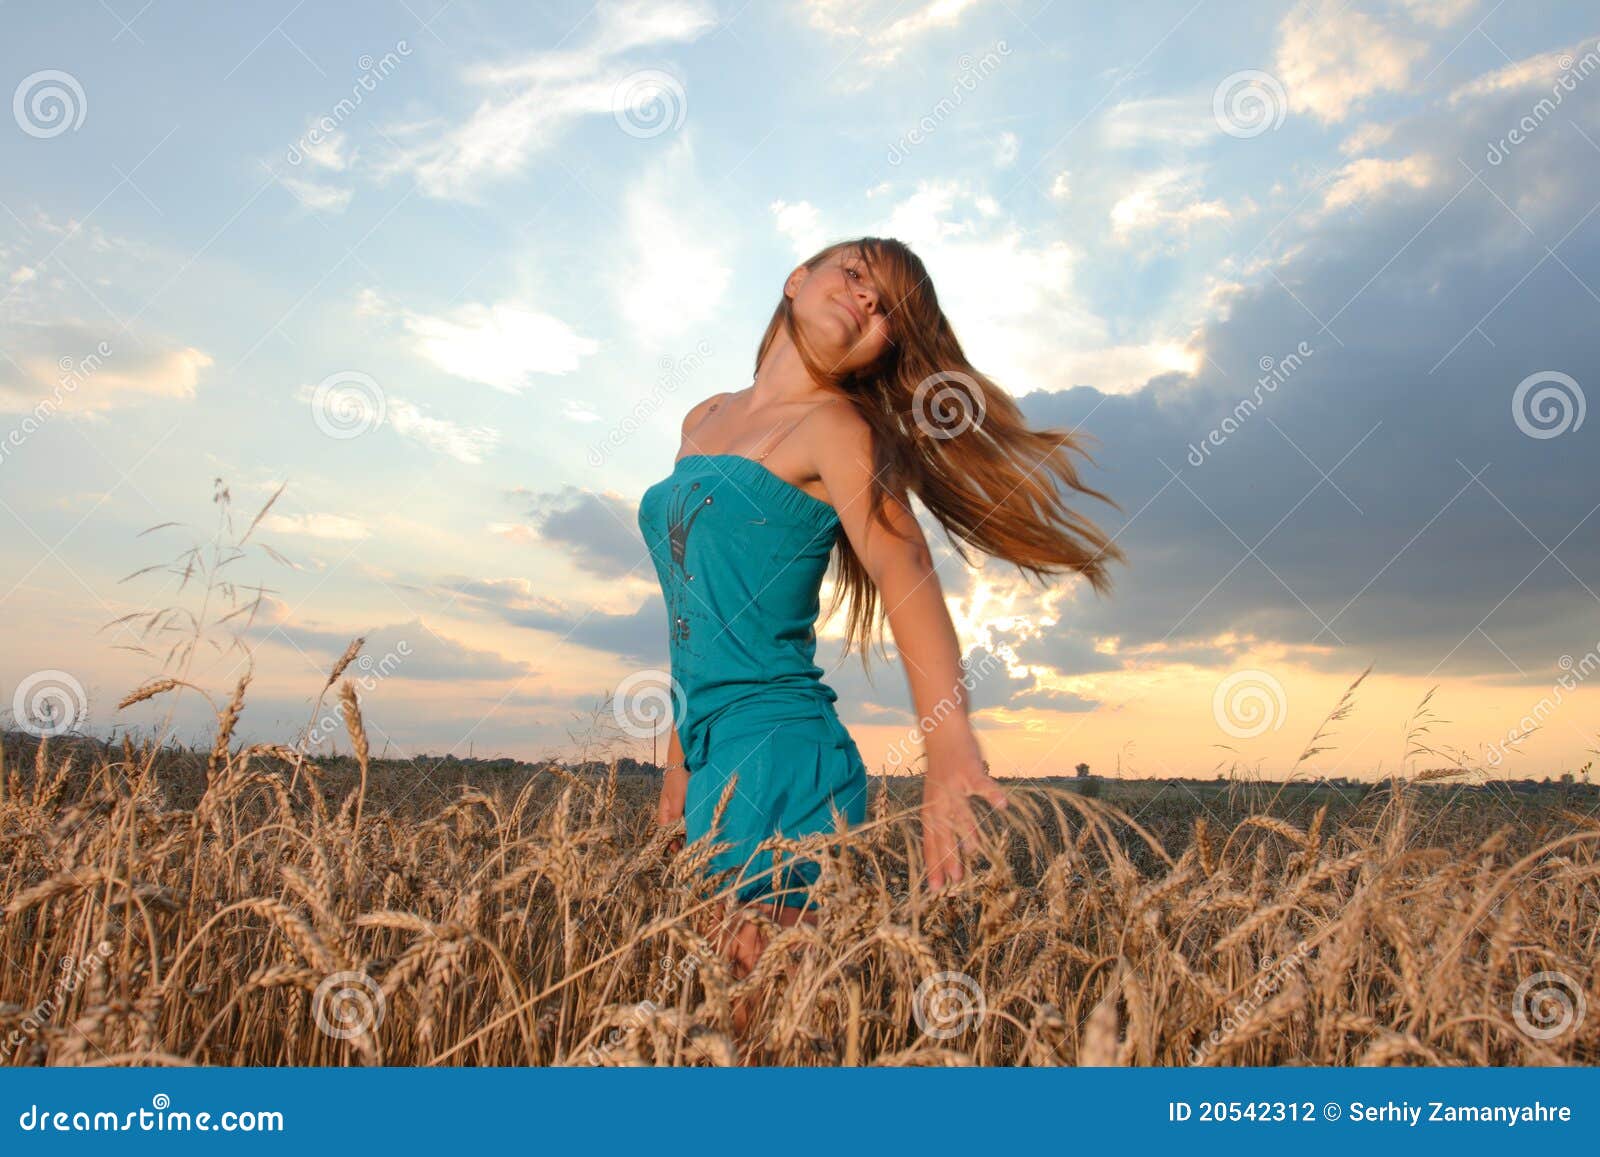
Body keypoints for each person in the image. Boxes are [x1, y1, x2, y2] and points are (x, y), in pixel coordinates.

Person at [636, 237, 1126, 989]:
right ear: (797, 278)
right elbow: (696, 609)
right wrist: (678, 761)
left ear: (881, 351)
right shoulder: (702, 417)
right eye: (858, 274)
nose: (867, 299)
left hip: (779, 755)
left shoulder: (837, 430)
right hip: (711, 754)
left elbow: (906, 567)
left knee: (755, 1031)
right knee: (716, 1023)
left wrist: (949, 744)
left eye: (886, 309)